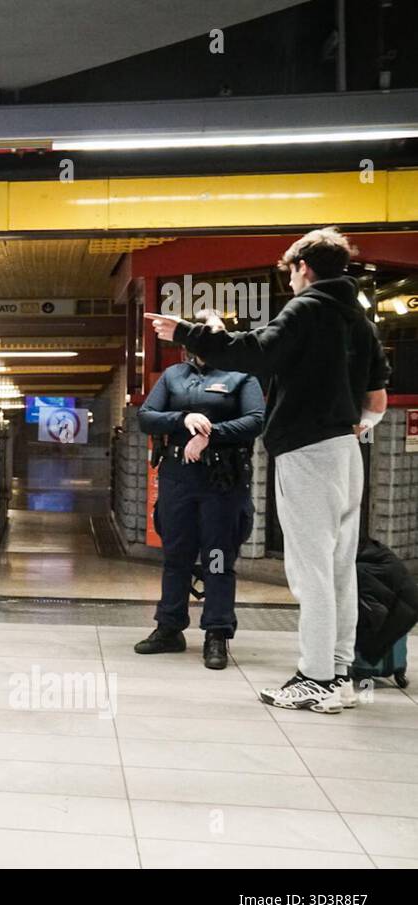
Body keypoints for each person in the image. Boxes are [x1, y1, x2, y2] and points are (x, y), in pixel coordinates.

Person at [149, 227, 390, 713]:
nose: (292, 281)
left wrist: (187, 333)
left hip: (310, 450)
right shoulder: (357, 317)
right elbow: (377, 395)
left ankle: (316, 677)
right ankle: (340, 672)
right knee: (340, 568)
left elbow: (255, 352)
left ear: (303, 267)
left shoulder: (308, 307)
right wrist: (357, 426)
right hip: (346, 451)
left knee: (311, 570)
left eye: (291, 272)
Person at [136, 311, 265, 670]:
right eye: (205, 332)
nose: (210, 339)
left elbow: (255, 421)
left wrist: (210, 436)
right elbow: (146, 416)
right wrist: (182, 419)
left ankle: (217, 633)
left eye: (217, 333)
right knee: (175, 556)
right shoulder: (174, 376)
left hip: (222, 482)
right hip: (179, 477)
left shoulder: (242, 375)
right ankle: (169, 628)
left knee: (218, 559)